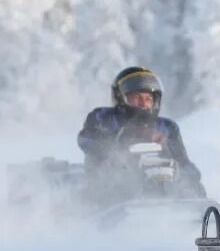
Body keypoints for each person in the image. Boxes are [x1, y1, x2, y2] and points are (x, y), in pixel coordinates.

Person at [77, 66, 205, 198]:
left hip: (162, 188)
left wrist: (169, 153)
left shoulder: (167, 127)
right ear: (122, 98)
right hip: (110, 188)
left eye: (148, 99)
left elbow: (186, 165)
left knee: (194, 187)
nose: (143, 104)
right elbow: (86, 139)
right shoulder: (103, 117)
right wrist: (125, 137)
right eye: (137, 98)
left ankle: (202, 213)